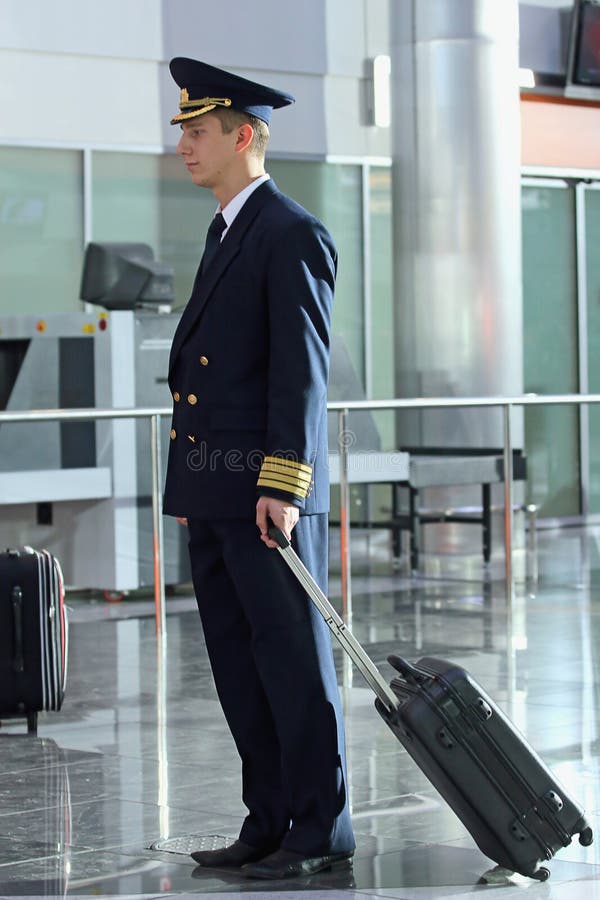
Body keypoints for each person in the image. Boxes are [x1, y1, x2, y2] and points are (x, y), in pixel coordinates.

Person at [162, 57, 355, 880]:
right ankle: (266, 818)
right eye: (183, 135)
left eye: (198, 133)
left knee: (290, 660)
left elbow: (298, 373)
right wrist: (192, 484)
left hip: (263, 494)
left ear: (244, 136)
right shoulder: (227, 231)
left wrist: (281, 482)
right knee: (239, 664)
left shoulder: (290, 232)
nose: (185, 147)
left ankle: (319, 828)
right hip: (215, 490)